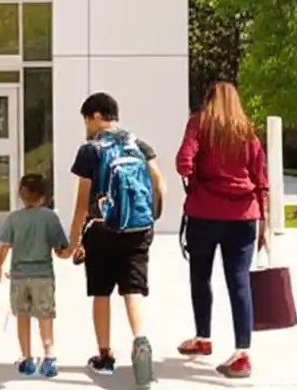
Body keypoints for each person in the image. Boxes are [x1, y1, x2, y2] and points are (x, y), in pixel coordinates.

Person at [66, 92, 166, 388]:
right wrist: (152, 216)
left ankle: (105, 356)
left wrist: (74, 240)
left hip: (101, 230)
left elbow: (82, 200)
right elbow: (159, 181)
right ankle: (141, 338)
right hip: (139, 227)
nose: (85, 126)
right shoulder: (138, 144)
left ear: (96, 116)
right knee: (132, 289)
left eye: (86, 119)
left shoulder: (91, 150)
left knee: (101, 291)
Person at [175, 82, 269, 379]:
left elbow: (183, 162)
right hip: (243, 217)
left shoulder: (199, 124)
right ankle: (243, 352)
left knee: (200, 276)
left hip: (204, 215)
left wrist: (196, 182)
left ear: (209, 100)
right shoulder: (247, 133)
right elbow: (262, 180)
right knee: (239, 282)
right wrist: (264, 222)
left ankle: (203, 338)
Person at [0, 174, 71, 378]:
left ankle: (27, 359)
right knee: (45, 316)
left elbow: (4, 247)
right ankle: (49, 357)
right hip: (43, 275)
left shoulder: (14, 219)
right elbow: (60, 248)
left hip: (19, 276)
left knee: (22, 316)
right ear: (44, 197)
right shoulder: (50, 217)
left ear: (21, 195)